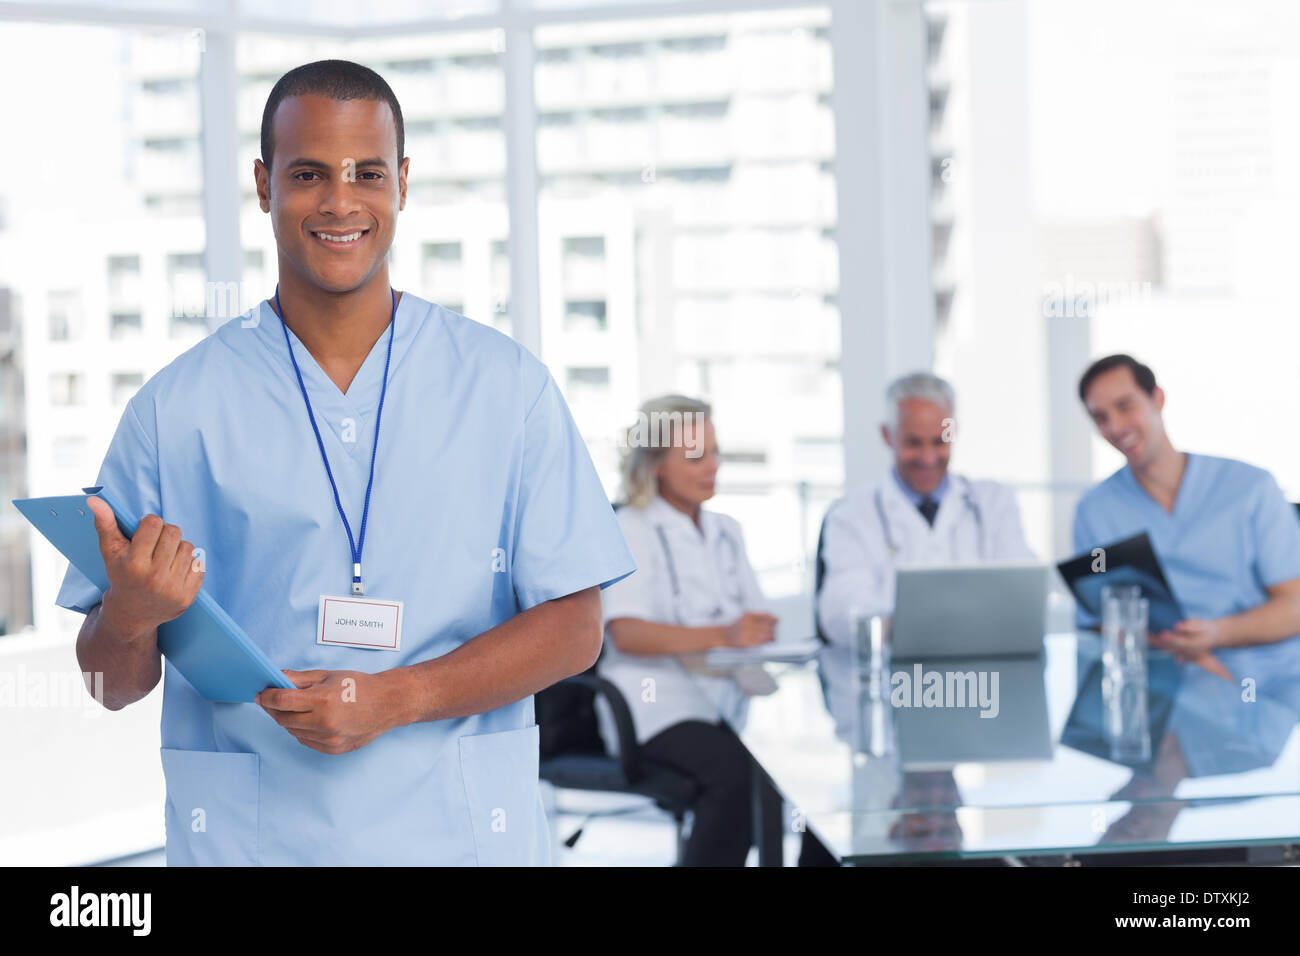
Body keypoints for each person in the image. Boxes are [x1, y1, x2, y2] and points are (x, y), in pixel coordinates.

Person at [55, 59, 635, 866]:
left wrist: (399, 697)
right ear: (264, 186)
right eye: (308, 174)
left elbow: (576, 629)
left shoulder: (507, 389)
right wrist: (127, 614)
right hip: (253, 843)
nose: (339, 201)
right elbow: (107, 684)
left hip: (459, 839)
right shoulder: (173, 411)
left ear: (401, 183)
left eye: (367, 173)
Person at [598, 395, 813, 865]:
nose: (712, 466)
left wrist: (758, 631)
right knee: (736, 779)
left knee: (792, 783)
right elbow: (627, 634)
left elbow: (750, 621)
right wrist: (725, 634)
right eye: (696, 456)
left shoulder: (727, 530)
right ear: (655, 463)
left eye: (716, 453)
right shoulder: (630, 527)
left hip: (723, 704)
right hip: (653, 708)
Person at [816, 372, 1035, 731]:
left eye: (939, 441)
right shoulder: (852, 515)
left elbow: (1022, 592)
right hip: (889, 694)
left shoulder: (994, 502)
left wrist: (904, 622)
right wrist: (955, 623)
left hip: (982, 690)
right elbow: (840, 613)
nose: (928, 457)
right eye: (913, 443)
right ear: (887, 436)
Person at [1072, 354, 1300, 696]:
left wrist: (1215, 636)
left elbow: (1294, 605)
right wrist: (1180, 650)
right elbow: (1099, 620)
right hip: (1166, 684)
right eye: (1101, 418)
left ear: (1157, 399)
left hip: (1269, 685)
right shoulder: (1094, 511)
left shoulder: (1251, 488)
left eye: (1125, 406)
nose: (1115, 427)